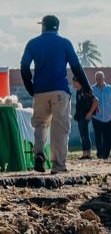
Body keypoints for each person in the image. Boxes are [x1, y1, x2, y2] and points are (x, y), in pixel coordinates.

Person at [19, 14, 93, 173]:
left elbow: (24, 66)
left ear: (43, 26)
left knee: (40, 124)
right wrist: (87, 87)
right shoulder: (65, 43)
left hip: (40, 91)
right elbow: (76, 68)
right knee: (60, 127)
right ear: (57, 27)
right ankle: (58, 165)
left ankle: (39, 154)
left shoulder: (33, 43)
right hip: (60, 90)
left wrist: (30, 88)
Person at [89, 71, 111, 159]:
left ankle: (106, 155)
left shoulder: (110, 89)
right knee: (98, 138)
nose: (98, 80)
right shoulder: (92, 89)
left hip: (108, 117)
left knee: (108, 139)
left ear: (104, 78)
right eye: (97, 79)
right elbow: (88, 101)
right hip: (97, 117)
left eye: (100, 79)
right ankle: (100, 154)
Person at [72, 78, 95, 160]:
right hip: (80, 116)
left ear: (78, 82)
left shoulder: (85, 90)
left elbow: (96, 101)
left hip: (85, 116)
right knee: (82, 135)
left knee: (85, 135)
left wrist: (90, 113)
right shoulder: (78, 91)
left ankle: (88, 154)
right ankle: (84, 154)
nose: (73, 84)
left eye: (74, 82)